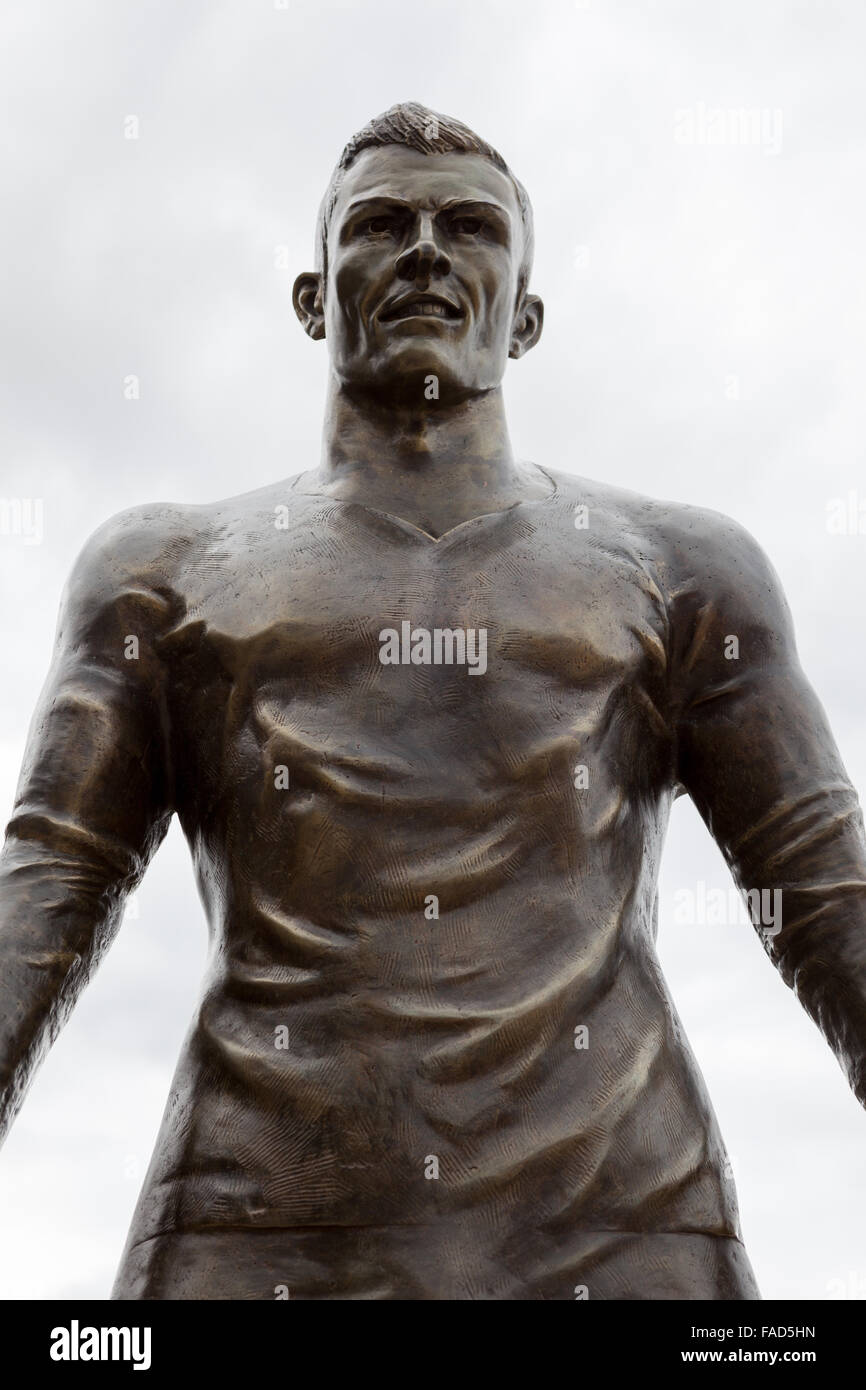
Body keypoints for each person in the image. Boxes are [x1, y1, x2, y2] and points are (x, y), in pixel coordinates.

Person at [1, 103, 864, 1300]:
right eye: (378, 225)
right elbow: (48, 881)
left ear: (527, 312)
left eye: (467, 226)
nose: (423, 249)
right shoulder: (162, 571)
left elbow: (821, 884)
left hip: (620, 1232)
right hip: (259, 1231)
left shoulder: (682, 567)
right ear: (312, 299)